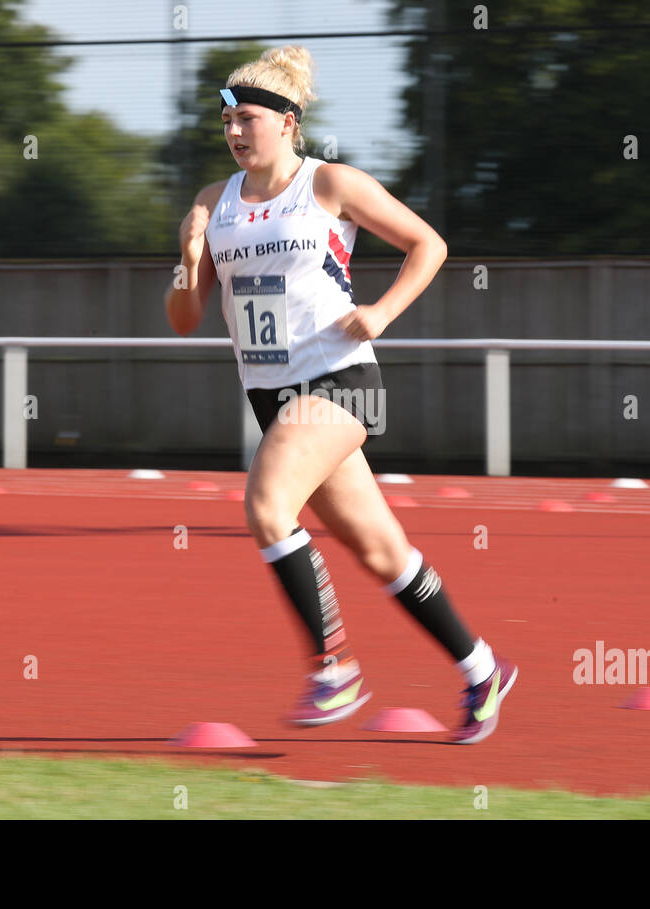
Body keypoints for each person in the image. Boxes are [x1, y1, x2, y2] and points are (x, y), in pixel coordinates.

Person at [163, 45, 517, 744]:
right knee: (383, 552)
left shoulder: (329, 185)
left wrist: (381, 312)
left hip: (341, 383)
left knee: (266, 504)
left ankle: (334, 668)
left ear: (288, 123)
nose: (235, 134)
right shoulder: (213, 203)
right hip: (273, 397)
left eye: (249, 120)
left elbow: (429, 245)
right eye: (226, 123)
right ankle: (481, 666)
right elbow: (184, 318)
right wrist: (188, 257)